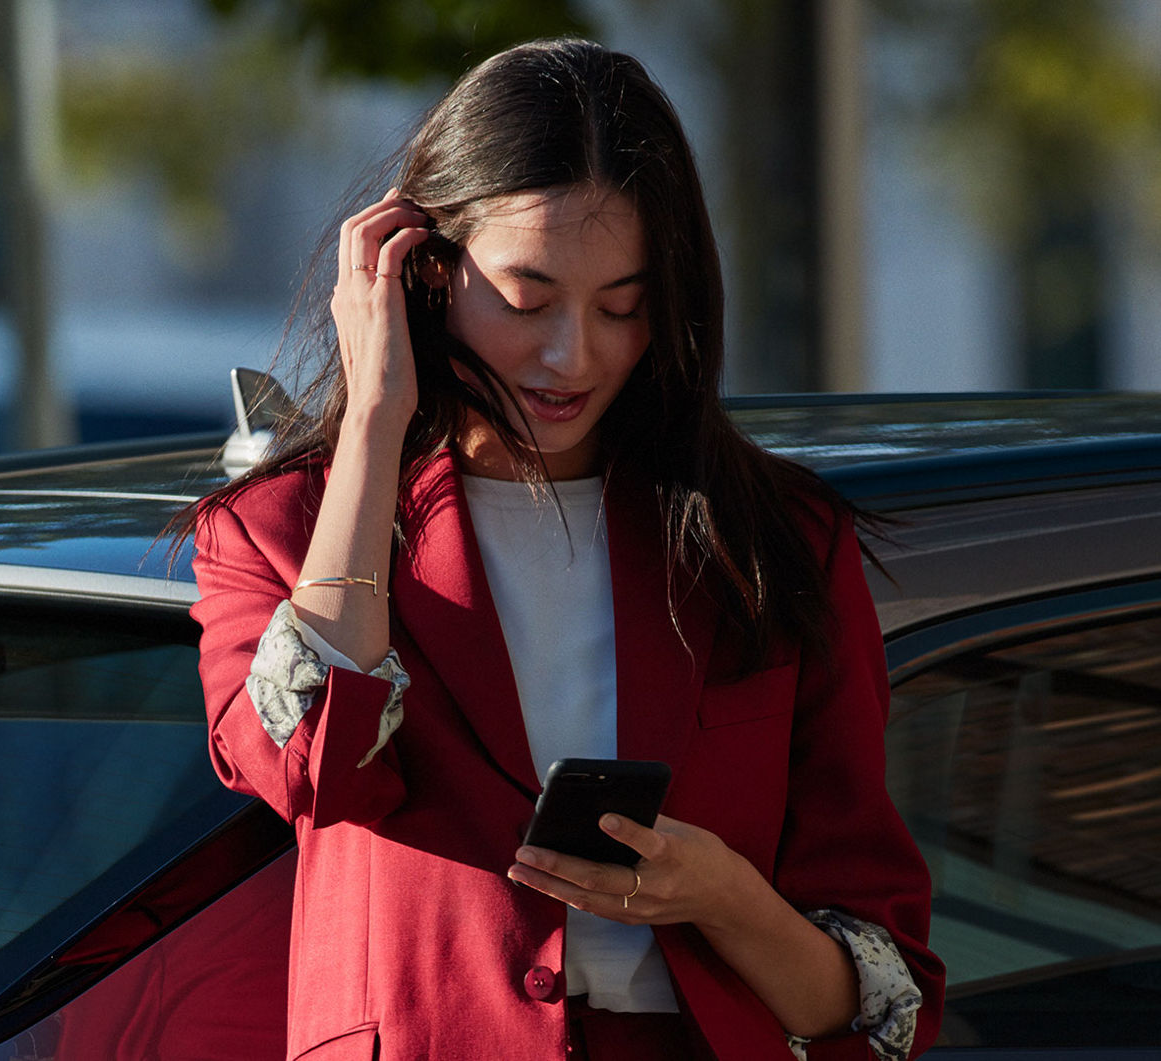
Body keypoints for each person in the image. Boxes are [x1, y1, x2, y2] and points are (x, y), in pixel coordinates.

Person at [185, 38, 944, 1061]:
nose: (571, 353)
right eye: (526, 299)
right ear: (424, 271)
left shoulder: (776, 542)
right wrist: (372, 417)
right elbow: (309, 766)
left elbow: (875, 1003)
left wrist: (722, 894)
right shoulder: (276, 529)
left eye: (621, 308)